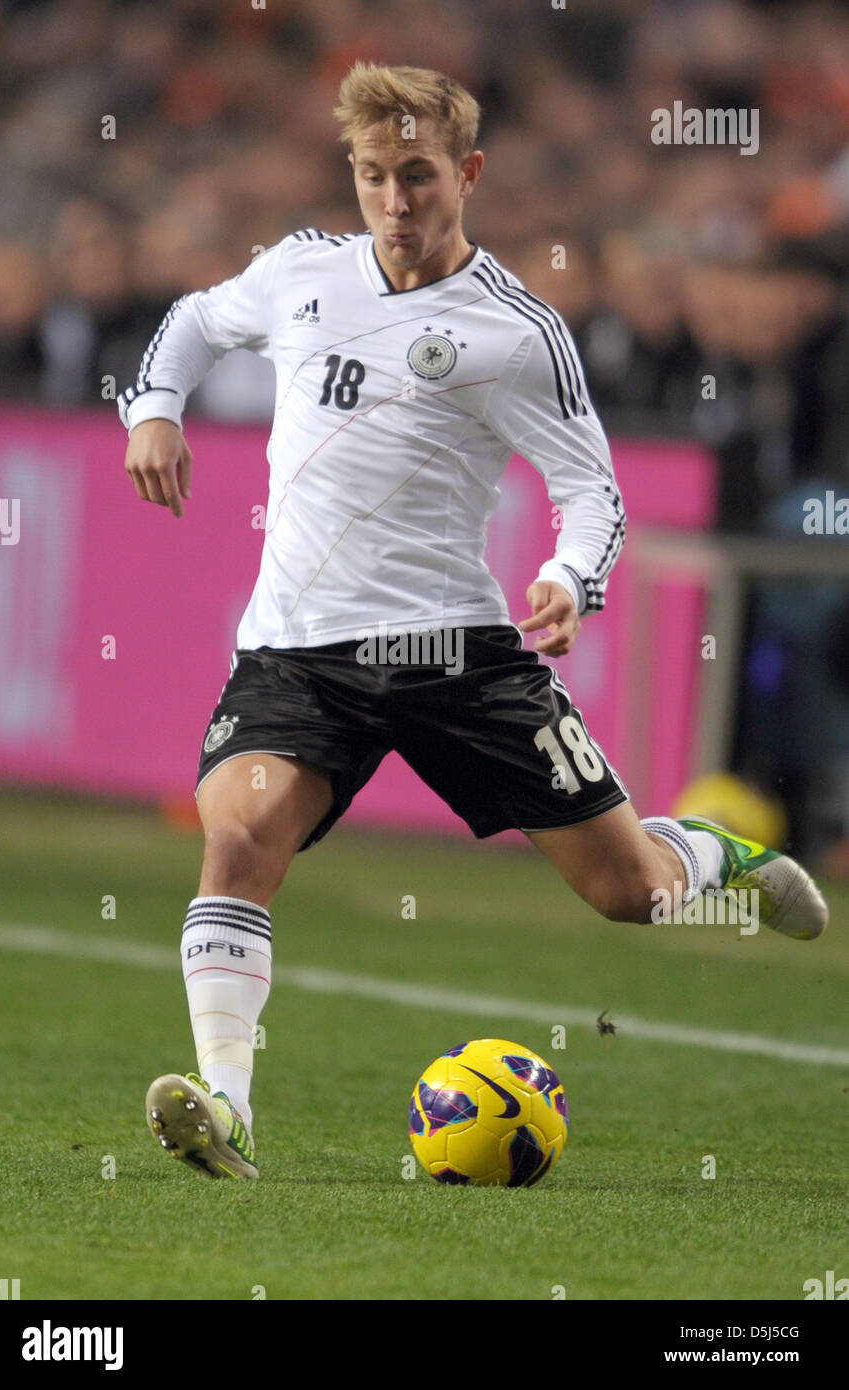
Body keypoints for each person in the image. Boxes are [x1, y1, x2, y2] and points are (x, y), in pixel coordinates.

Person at [119, 63, 828, 1183]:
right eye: (372, 176)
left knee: (629, 892)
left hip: (458, 651)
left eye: (416, 175)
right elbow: (191, 324)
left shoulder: (514, 331)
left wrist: (566, 576)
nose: (394, 201)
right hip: (297, 654)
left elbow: (592, 489)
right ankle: (228, 1101)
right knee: (237, 839)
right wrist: (154, 411)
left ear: (469, 172)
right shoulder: (301, 273)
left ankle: (713, 851)